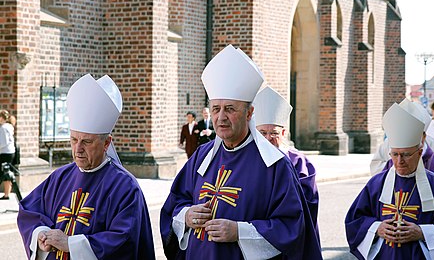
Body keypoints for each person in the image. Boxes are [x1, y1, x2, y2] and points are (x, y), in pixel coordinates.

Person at [160, 44, 322, 259]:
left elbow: (290, 226)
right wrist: (186, 216)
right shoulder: (201, 156)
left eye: (230, 109)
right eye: (216, 109)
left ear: (249, 113)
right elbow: (175, 204)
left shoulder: (275, 165)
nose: (221, 117)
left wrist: (240, 232)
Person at [17, 74, 155, 260]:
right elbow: (29, 211)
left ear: (106, 143)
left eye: (87, 142)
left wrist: (71, 244)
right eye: (74, 140)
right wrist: (40, 234)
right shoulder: (60, 177)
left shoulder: (125, 187)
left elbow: (125, 241)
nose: (78, 149)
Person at [345, 102, 434, 259]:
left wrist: (422, 232)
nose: (399, 161)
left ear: (420, 152)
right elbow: (355, 221)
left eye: (406, 154)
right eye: (395, 154)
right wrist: (377, 228)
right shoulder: (376, 184)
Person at [253, 85, 319, 236]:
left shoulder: (299, 162)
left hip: (285, 229)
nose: (268, 138)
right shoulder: (248, 159)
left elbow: (308, 202)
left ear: (283, 133)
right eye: (263, 133)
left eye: (274, 133)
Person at [370, 98, 434, 180]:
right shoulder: (389, 143)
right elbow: (376, 165)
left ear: (423, 136)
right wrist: (393, 166)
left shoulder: (433, 146)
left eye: (407, 154)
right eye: (395, 154)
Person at [0, 110, 16, 200]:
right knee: (7, 173)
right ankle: (7, 193)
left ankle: (6, 194)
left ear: (2, 118)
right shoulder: (9, 126)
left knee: (3, 173)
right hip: (10, 152)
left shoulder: (3, 128)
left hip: (5, 153)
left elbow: (3, 142)